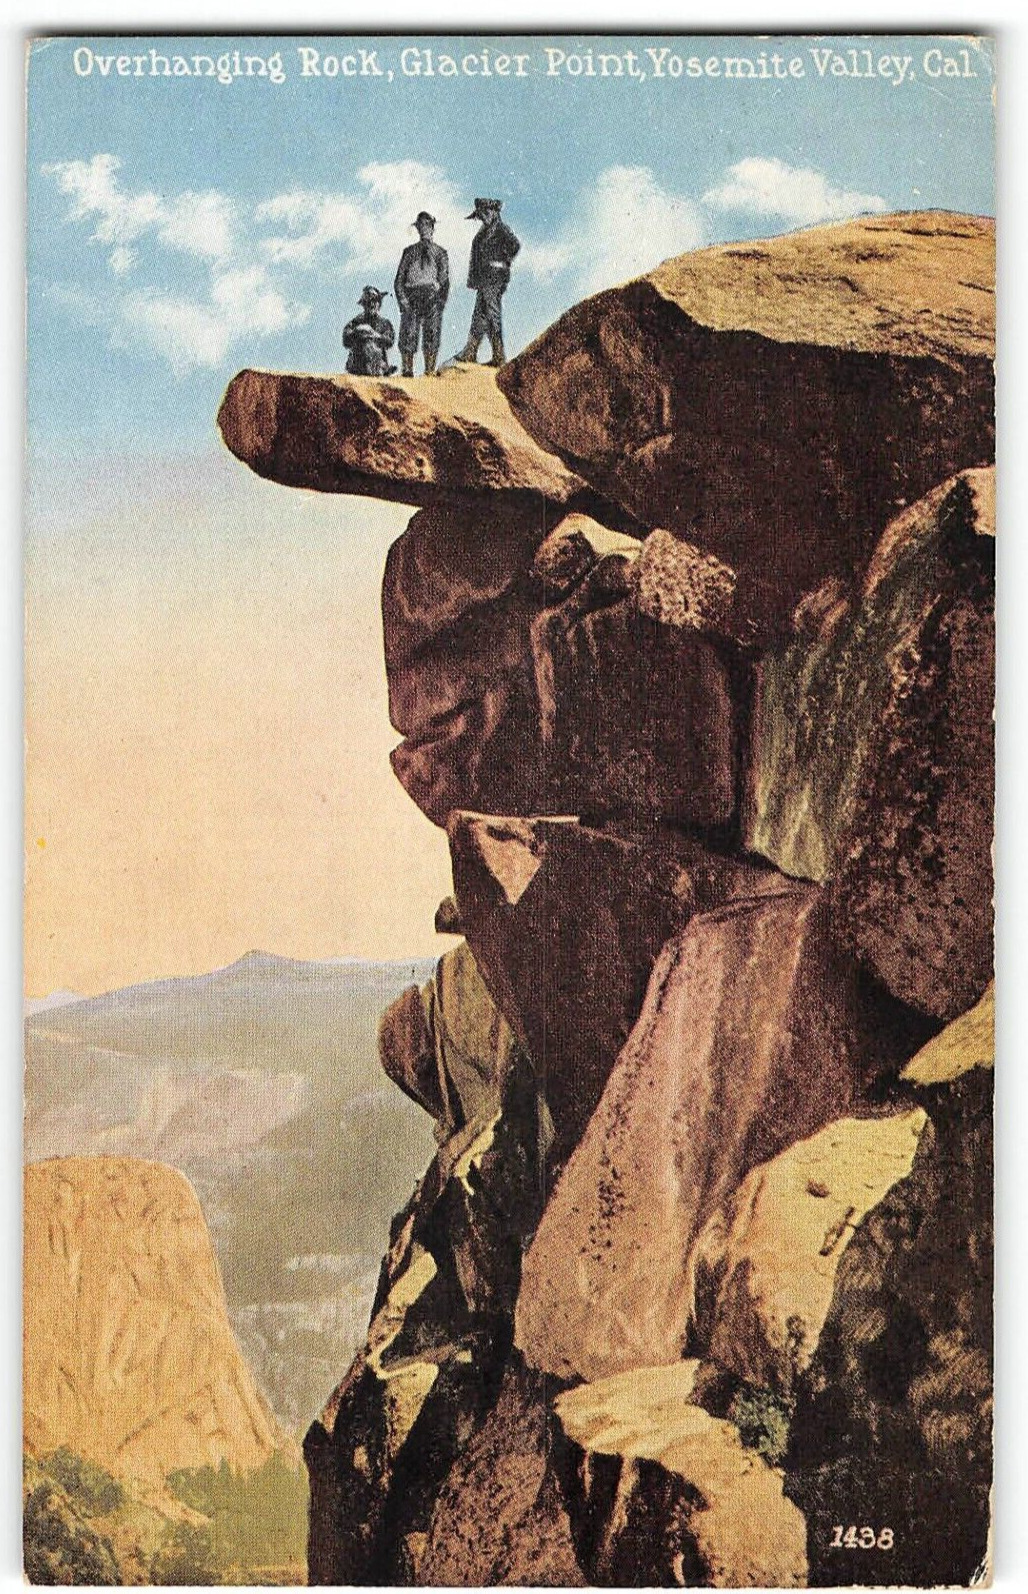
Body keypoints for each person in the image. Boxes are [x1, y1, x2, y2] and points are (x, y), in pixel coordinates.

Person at [457, 198, 520, 367]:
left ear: (494, 213)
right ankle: (471, 352)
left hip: (495, 278)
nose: (483, 217)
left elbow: (515, 246)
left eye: (485, 213)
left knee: (491, 314)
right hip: (484, 279)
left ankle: (497, 356)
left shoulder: (502, 229)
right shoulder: (484, 231)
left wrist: (502, 260)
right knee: (480, 314)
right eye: (481, 215)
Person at [394, 211, 449, 376]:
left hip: (432, 297)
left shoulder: (440, 253)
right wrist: (403, 300)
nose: (424, 229)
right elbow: (399, 279)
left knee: (432, 333)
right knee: (408, 334)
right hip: (412, 296)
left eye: (427, 225)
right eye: (420, 226)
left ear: (432, 228)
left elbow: (444, 279)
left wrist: (440, 302)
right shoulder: (409, 252)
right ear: (417, 229)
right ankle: (407, 371)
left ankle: (429, 372)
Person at [342, 286, 396, 376]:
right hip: (358, 366)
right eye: (368, 302)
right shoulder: (356, 322)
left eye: (375, 301)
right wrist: (357, 332)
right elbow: (346, 340)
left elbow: (389, 341)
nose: (372, 305)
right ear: (364, 305)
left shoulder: (385, 323)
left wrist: (375, 335)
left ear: (379, 304)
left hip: (377, 365)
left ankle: (381, 368)